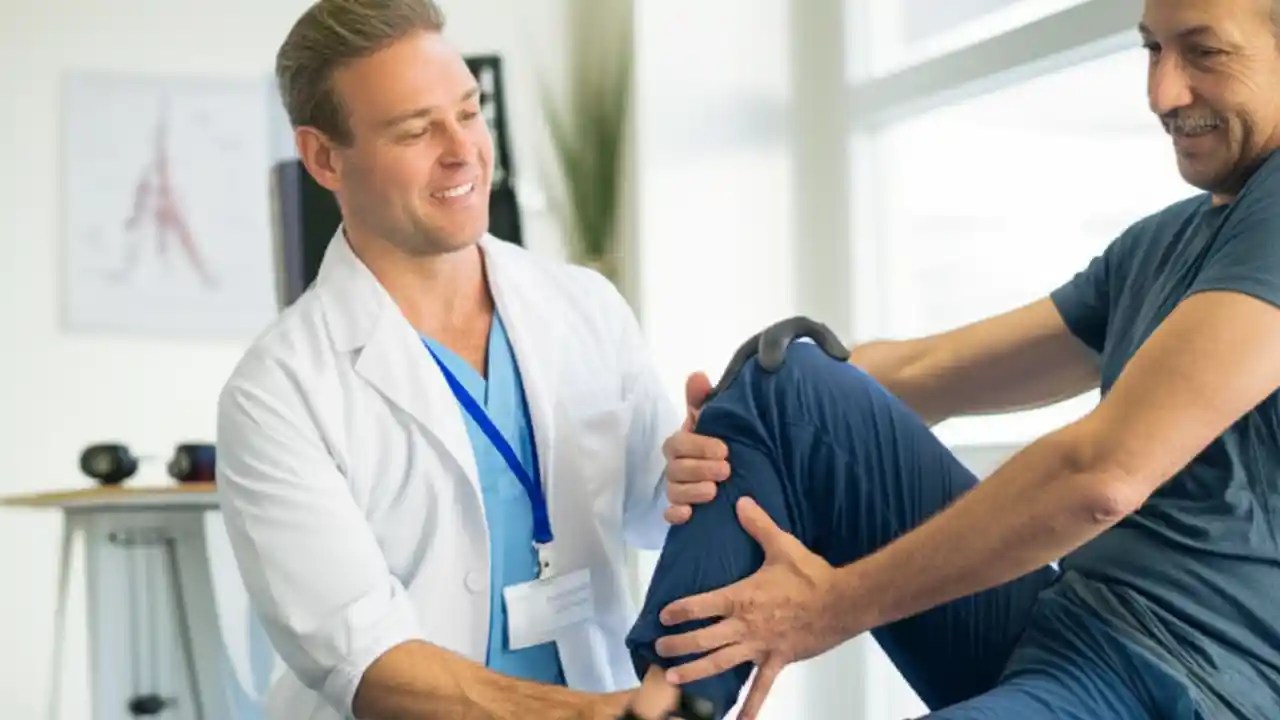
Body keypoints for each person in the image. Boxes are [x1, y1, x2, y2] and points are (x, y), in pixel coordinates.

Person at [626, 0, 1280, 717]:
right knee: (785, 372)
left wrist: (829, 607)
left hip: (1182, 688)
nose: (1162, 93)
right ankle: (666, 706)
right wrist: (741, 415)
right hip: (1067, 626)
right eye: (1152, 50)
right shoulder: (1171, 241)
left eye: (1205, 53)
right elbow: (924, 373)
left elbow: (1102, 476)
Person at [214, 2, 683, 718]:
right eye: (415, 130)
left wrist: (701, 460)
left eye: (468, 112)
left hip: (603, 690)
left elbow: (653, 510)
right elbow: (368, 661)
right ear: (323, 157)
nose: (462, 149)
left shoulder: (585, 307)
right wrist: (593, 716)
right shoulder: (278, 391)